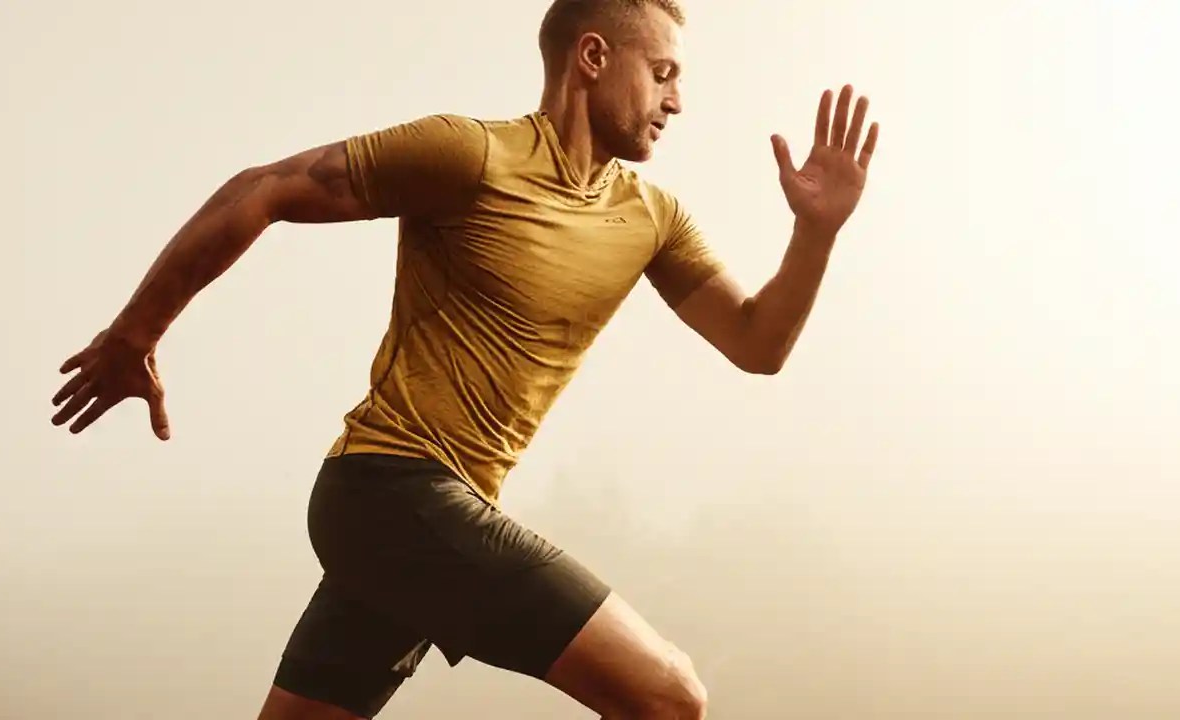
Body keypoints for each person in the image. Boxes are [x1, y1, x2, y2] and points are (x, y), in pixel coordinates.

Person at [50, 0, 879, 717]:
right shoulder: (470, 155)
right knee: (667, 695)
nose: (678, 101)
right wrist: (135, 333)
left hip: (425, 521)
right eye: (663, 73)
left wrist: (815, 232)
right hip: (389, 492)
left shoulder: (651, 217)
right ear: (594, 57)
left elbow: (758, 343)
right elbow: (264, 187)